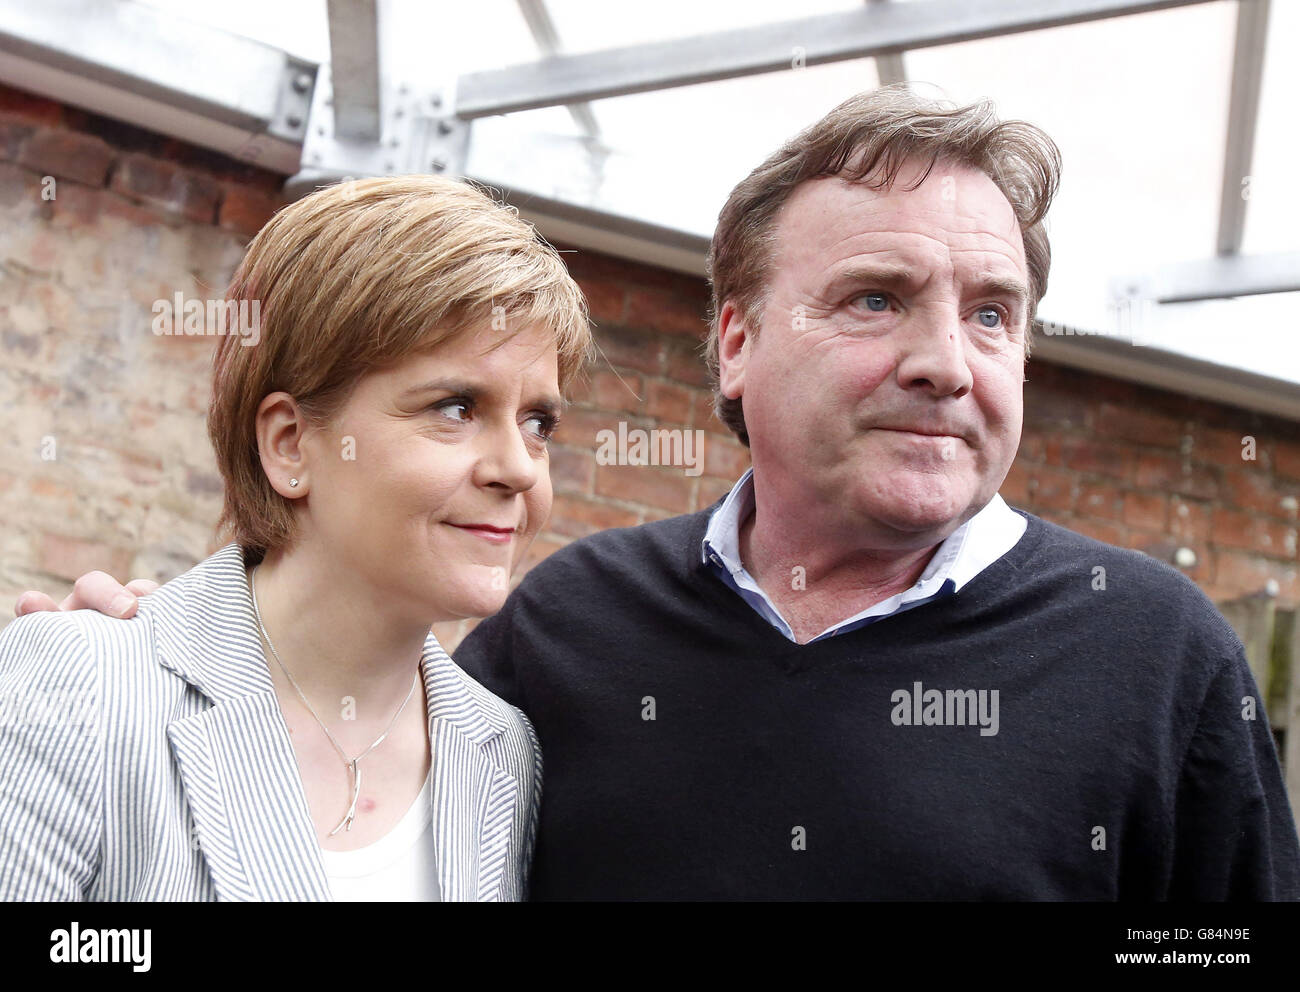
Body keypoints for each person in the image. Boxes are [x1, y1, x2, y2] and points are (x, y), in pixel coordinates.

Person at [19, 88, 1300, 900]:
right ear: (734, 342)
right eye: (875, 298)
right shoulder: (568, 632)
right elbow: (290, 693)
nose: (944, 360)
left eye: (992, 314)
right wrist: (144, 639)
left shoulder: (1157, 655)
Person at [0, 174, 591, 901]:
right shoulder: (85, 688)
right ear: (289, 444)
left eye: (539, 423)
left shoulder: (505, 753)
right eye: (456, 407)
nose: (518, 469)